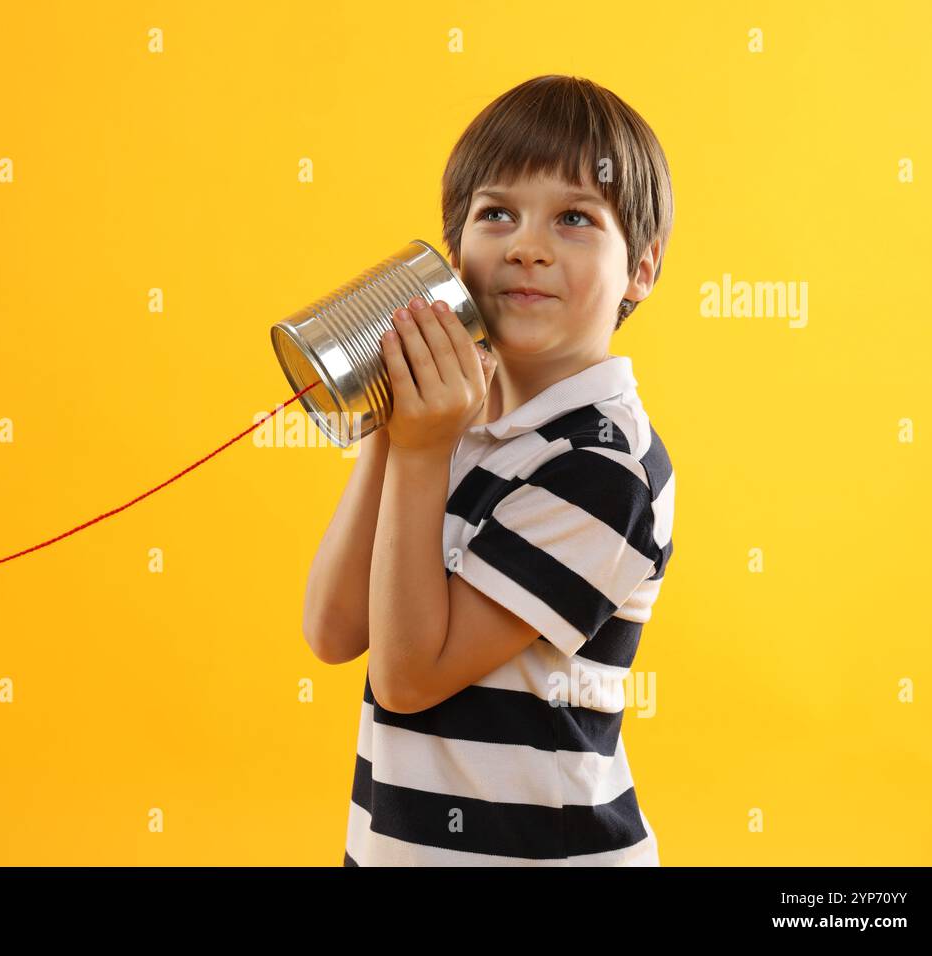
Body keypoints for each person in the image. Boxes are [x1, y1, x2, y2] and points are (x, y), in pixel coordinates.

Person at [301, 74, 677, 866]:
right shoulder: (456, 426)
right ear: (453, 253)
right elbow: (335, 632)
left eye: (575, 218)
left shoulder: (607, 469)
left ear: (640, 271)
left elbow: (409, 677)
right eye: (496, 213)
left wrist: (421, 450)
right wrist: (388, 424)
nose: (525, 245)